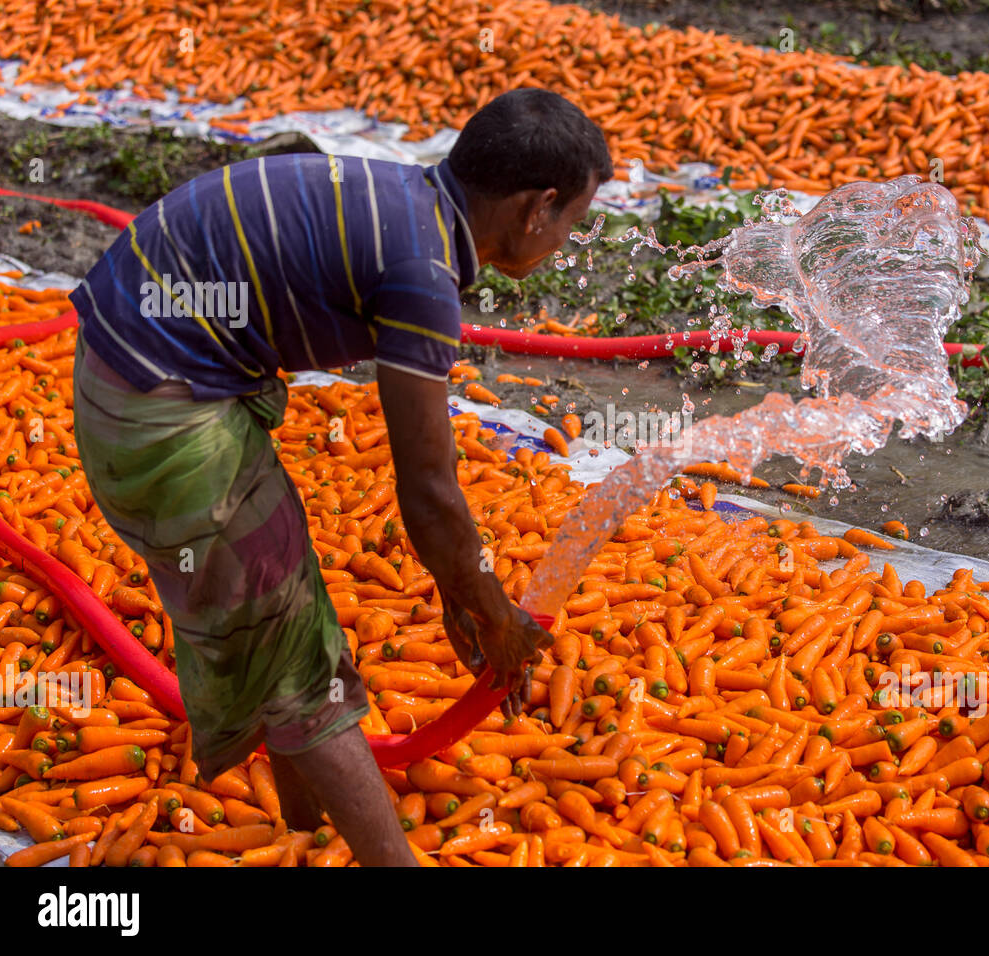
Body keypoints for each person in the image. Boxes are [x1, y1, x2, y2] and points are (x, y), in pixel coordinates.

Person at [68, 88, 614, 866]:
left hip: (135, 362)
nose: (567, 240)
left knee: (285, 624)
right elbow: (426, 492)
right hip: (155, 404)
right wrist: (490, 611)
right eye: (573, 221)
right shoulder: (422, 273)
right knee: (300, 669)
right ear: (537, 207)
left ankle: (300, 834)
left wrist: (467, 593)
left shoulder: (404, 199)